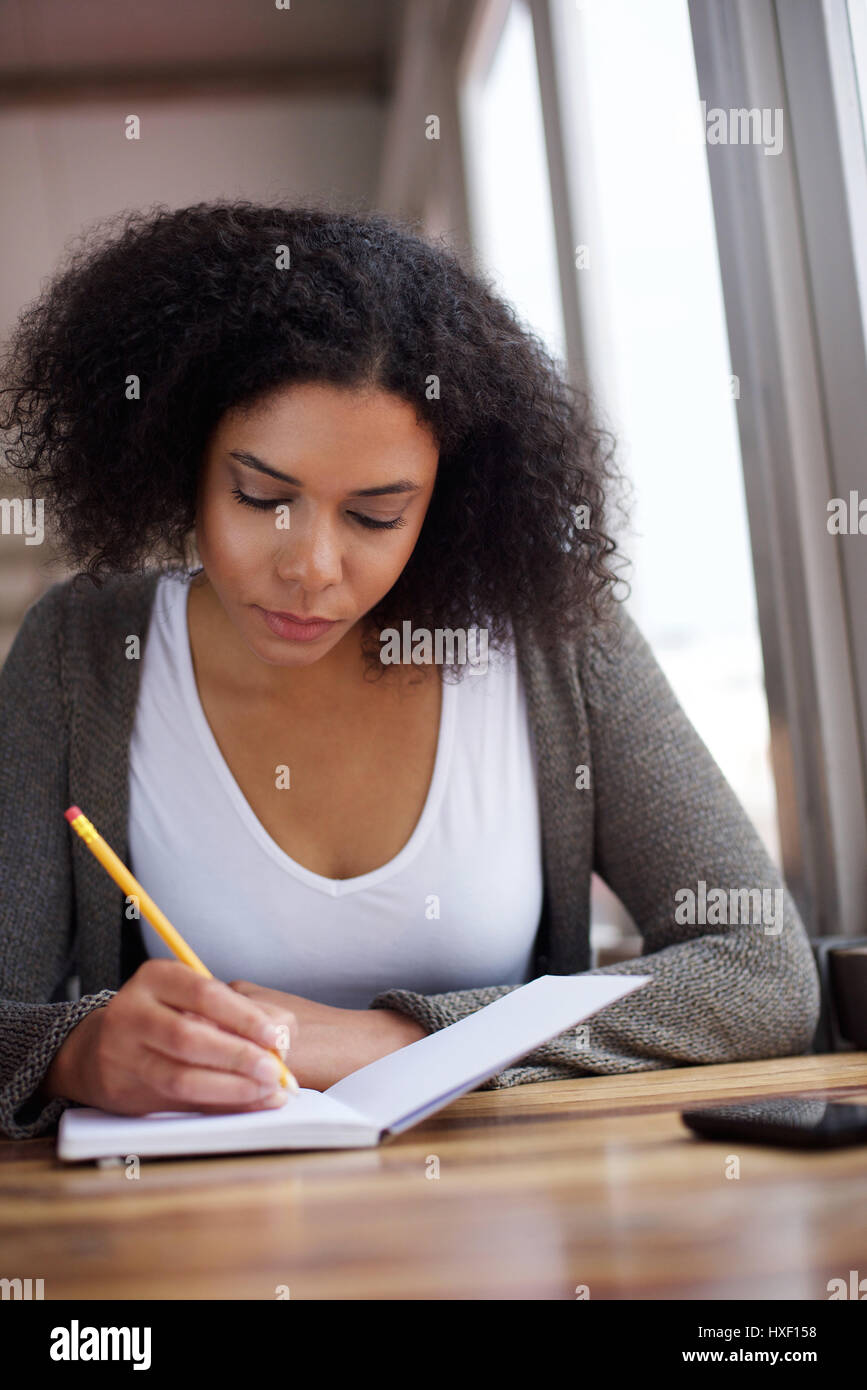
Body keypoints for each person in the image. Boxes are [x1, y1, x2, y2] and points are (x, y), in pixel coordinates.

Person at [0, 200, 820, 1141]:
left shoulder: (555, 640)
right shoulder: (84, 656)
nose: (309, 566)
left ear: (449, 499)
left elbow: (761, 971)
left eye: (376, 516)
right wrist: (76, 1049)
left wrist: (384, 1041)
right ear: (182, 458)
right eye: (263, 496)